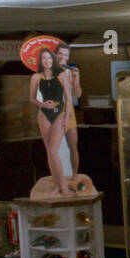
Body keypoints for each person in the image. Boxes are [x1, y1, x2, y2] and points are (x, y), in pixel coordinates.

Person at [28, 47, 72, 193]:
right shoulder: (36, 77)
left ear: (53, 59)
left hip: (59, 113)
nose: (46, 61)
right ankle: (56, 184)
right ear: (40, 61)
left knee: (53, 151)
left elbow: (68, 98)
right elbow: (32, 98)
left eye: (48, 58)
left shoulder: (61, 75)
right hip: (44, 114)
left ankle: (63, 186)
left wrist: (67, 117)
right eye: (43, 58)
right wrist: (42, 104)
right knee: (49, 151)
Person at [57, 43, 82, 176]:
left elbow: (77, 95)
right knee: (56, 149)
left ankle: (74, 176)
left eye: (65, 54)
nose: (62, 57)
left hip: (69, 112)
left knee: (73, 146)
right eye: (60, 54)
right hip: (55, 113)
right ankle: (59, 177)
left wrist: (76, 80)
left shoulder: (70, 71)